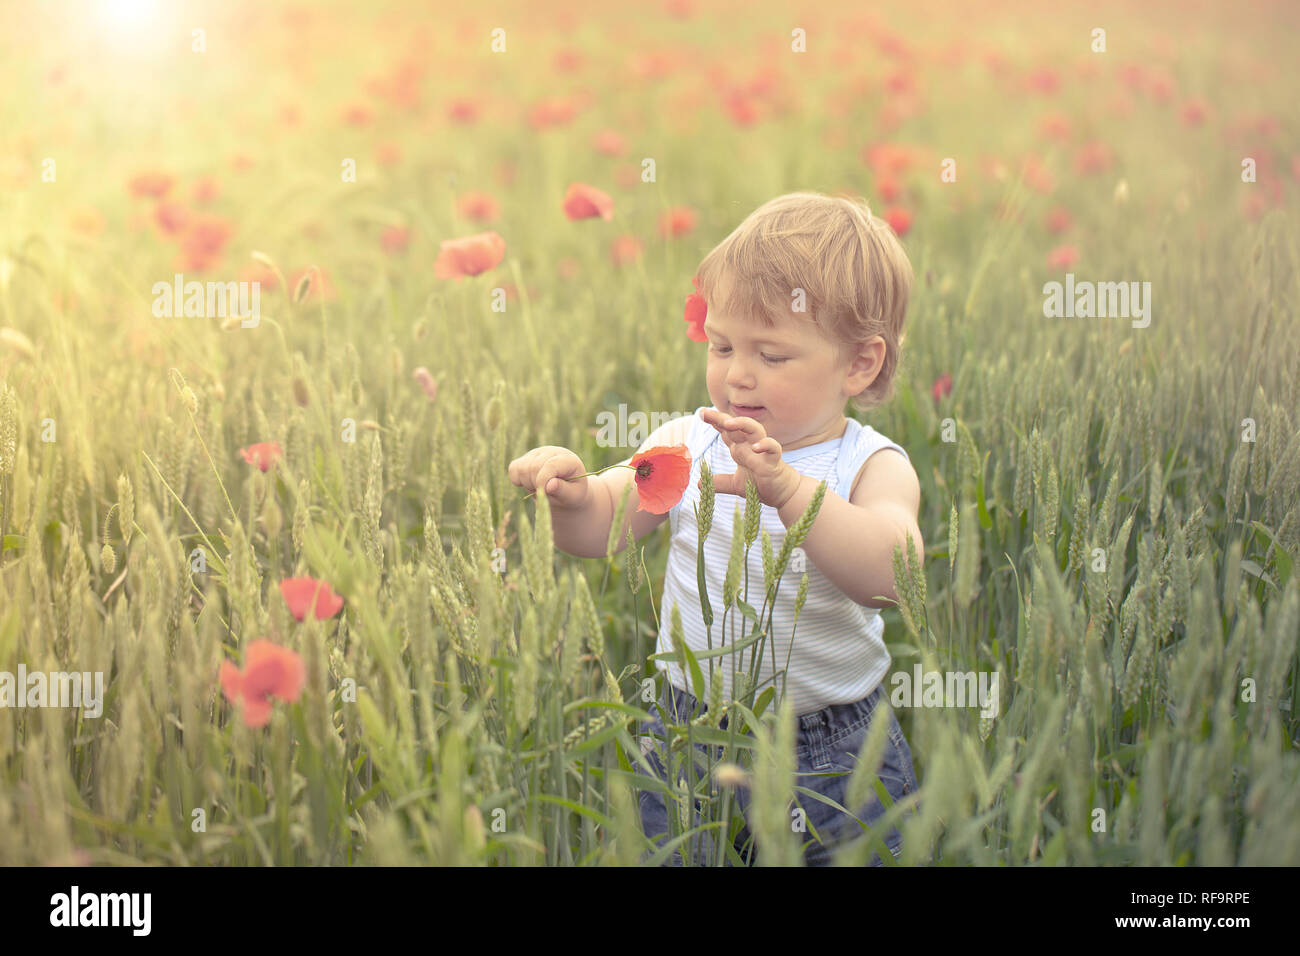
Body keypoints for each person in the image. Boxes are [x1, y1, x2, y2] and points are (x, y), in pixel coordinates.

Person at [508, 191, 923, 866]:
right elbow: (608, 526)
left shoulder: (869, 465)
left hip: (831, 748)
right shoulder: (689, 441)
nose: (736, 373)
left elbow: (891, 576)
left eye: (772, 355)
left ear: (859, 363)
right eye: (723, 344)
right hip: (687, 728)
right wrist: (570, 495)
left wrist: (788, 491)